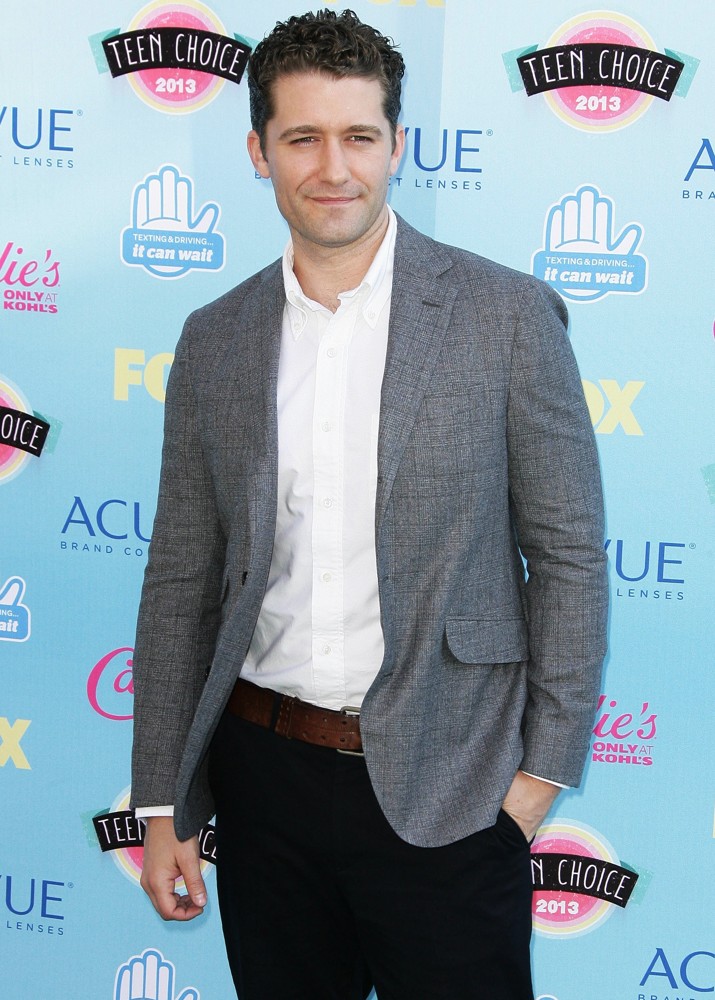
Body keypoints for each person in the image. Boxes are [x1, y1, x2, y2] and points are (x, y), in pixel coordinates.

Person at [131, 9, 608, 999]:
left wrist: (532, 786)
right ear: (259, 152)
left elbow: (564, 551)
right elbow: (181, 579)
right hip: (262, 785)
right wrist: (161, 799)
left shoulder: (506, 316)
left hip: (453, 783)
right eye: (302, 137)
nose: (332, 167)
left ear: (396, 144)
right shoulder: (213, 340)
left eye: (357, 136)